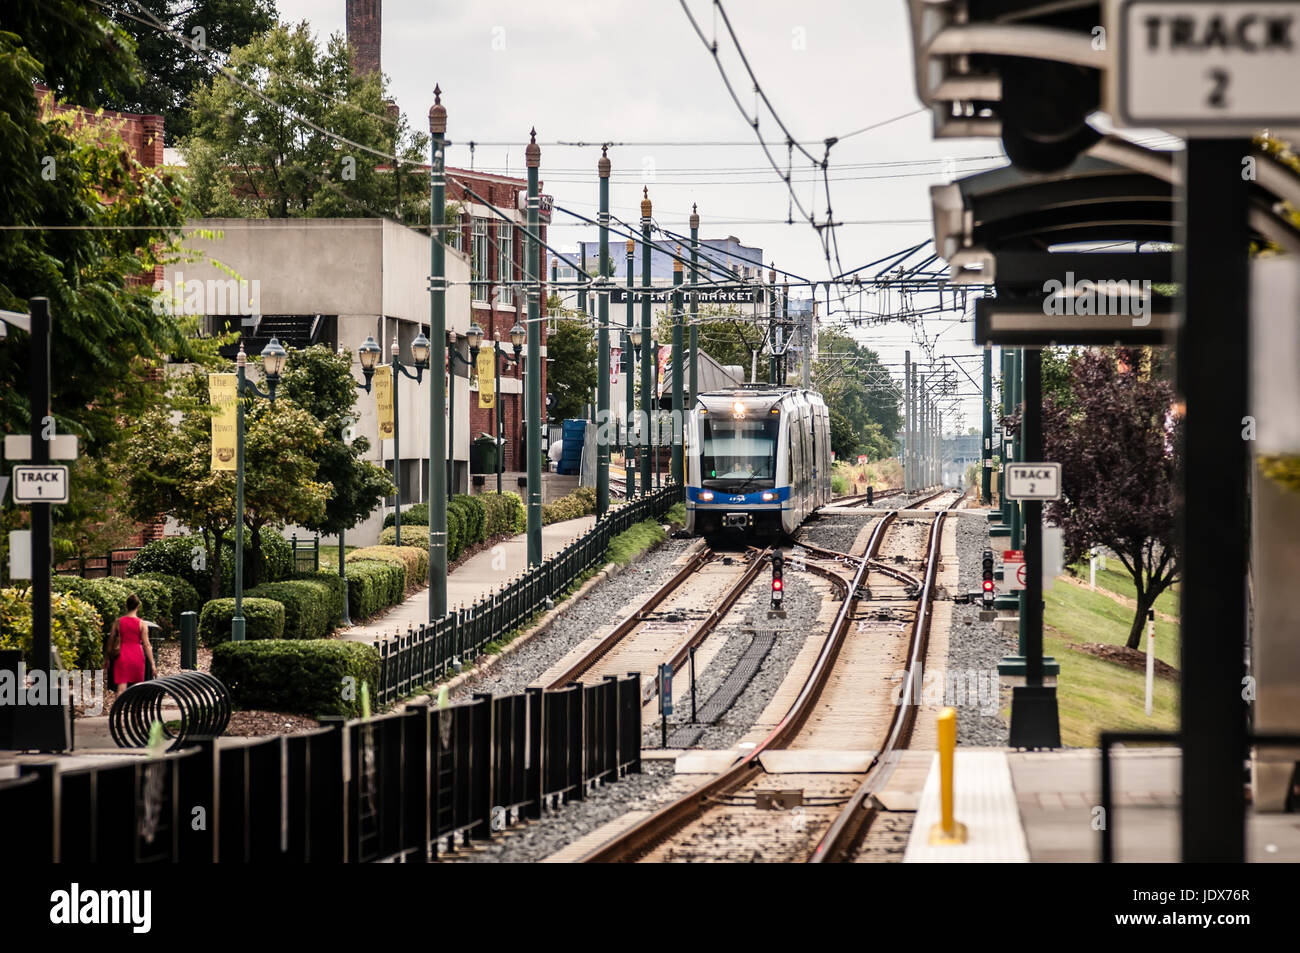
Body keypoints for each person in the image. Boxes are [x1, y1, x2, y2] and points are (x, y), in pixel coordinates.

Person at [105, 594, 152, 692]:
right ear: (138, 606)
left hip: (121, 655)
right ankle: (135, 706)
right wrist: (152, 663)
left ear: (126, 606)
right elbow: (147, 644)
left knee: (121, 685)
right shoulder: (142, 624)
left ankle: (119, 707)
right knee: (138, 685)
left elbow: (110, 640)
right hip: (137, 655)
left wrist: (107, 658)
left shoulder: (118, 622)